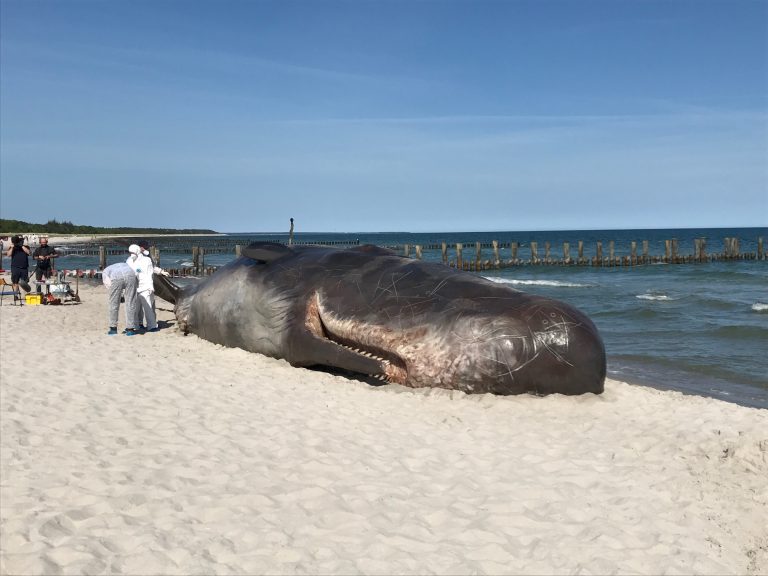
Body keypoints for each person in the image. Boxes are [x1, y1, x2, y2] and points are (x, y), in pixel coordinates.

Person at [126, 244, 158, 332]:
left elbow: (149, 274)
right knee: (135, 309)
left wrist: (150, 287)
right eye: (130, 252)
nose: (131, 254)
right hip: (134, 287)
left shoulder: (146, 260)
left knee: (148, 308)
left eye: (133, 252)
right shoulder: (129, 261)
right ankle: (136, 325)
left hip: (145, 287)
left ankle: (152, 326)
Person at [102, 261, 139, 336]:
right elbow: (136, 276)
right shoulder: (127, 266)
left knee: (113, 303)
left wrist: (120, 296)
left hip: (116, 277)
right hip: (130, 274)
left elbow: (108, 284)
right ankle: (130, 329)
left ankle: (113, 328)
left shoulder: (105, 271)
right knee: (130, 302)